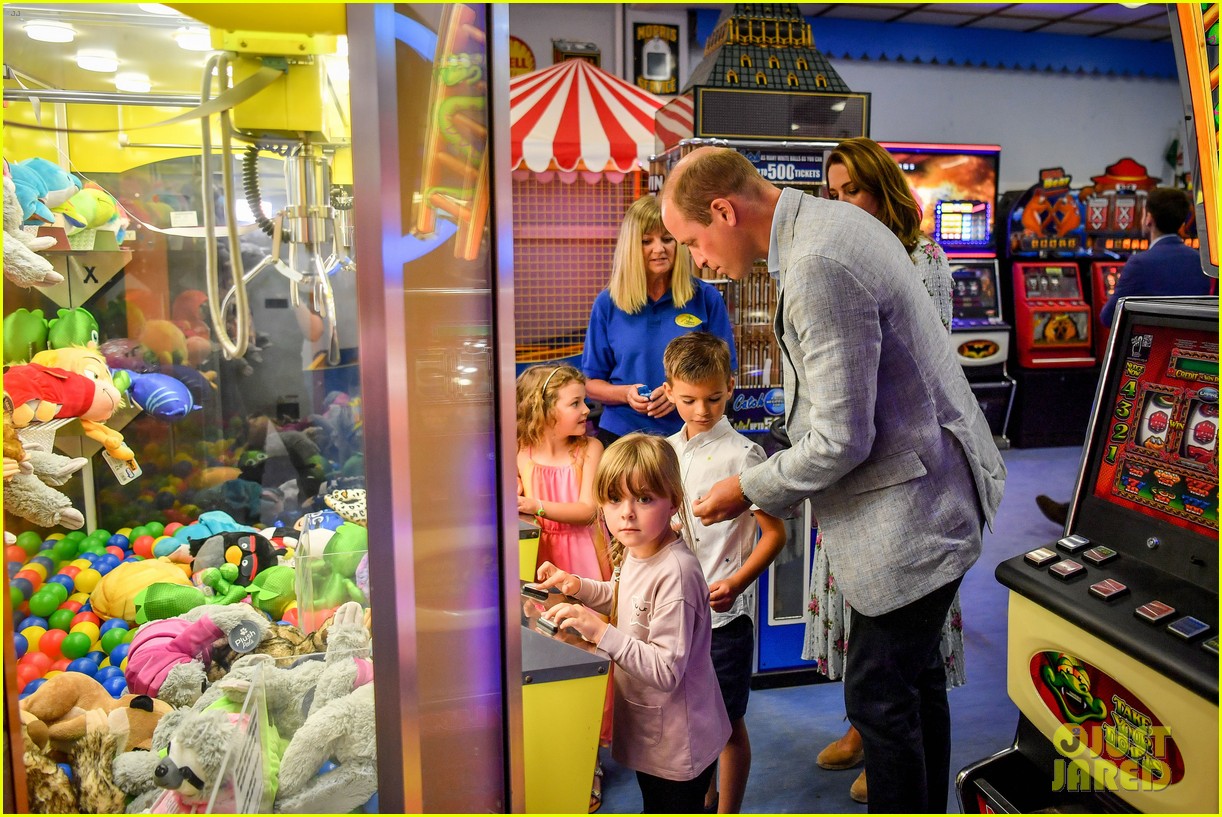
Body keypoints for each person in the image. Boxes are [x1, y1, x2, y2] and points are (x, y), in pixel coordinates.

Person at [660, 146, 1006, 813]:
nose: (696, 261)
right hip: (937, 487)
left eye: (692, 241)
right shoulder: (820, 226)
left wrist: (749, 488)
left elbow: (844, 438)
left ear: (725, 211)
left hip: (915, 513)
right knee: (914, 683)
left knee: (877, 695)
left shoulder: (817, 261)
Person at [809, 136, 968, 804]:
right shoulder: (838, 251)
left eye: (855, 191)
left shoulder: (921, 257)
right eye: (834, 192)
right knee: (858, 609)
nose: (843, 203)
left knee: (904, 638)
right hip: (853, 463)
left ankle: (890, 746)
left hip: (906, 469)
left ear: (884, 191)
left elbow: (913, 368)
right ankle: (864, 728)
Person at [535, 434, 731, 814]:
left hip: (679, 743)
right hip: (655, 732)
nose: (626, 512)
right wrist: (577, 586)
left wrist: (598, 631)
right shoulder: (638, 548)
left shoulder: (675, 573)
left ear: (673, 500)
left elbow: (666, 670)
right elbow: (626, 598)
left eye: (643, 499)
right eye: (614, 499)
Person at [661, 332, 787, 814]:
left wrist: (737, 583)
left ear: (731, 387)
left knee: (728, 723)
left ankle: (727, 810)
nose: (701, 410)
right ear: (668, 390)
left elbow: (775, 535)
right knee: (690, 717)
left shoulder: (745, 457)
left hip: (725, 620)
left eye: (713, 398)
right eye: (689, 399)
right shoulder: (666, 451)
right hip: (677, 615)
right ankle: (705, 794)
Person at [1037, 187, 1212, 526]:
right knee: (1170, 443)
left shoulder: (1140, 262)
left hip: (1141, 365)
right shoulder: (1200, 262)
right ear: (1185, 221)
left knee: (1110, 437)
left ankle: (1080, 511)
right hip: (1192, 368)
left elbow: (1107, 317)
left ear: (1148, 218)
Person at [514, 363, 611, 812]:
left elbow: (589, 510)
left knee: (587, 654)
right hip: (538, 570)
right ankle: (554, 754)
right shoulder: (519, 452)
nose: (586, 410)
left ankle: (587, 762)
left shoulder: (588, 449)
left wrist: (535, 503)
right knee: (547, 657)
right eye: (575, 403)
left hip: (582, 563)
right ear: (543, 410)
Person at [582, 195, 738, 447]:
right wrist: (626, 393)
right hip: (625, 438)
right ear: (631, 247)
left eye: (667, 239)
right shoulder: (608, 303)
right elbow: (591, 383)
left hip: (692, 434)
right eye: (646, 241)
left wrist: (680, 396)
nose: (659, 249)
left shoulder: (705, 298)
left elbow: (725, 373)